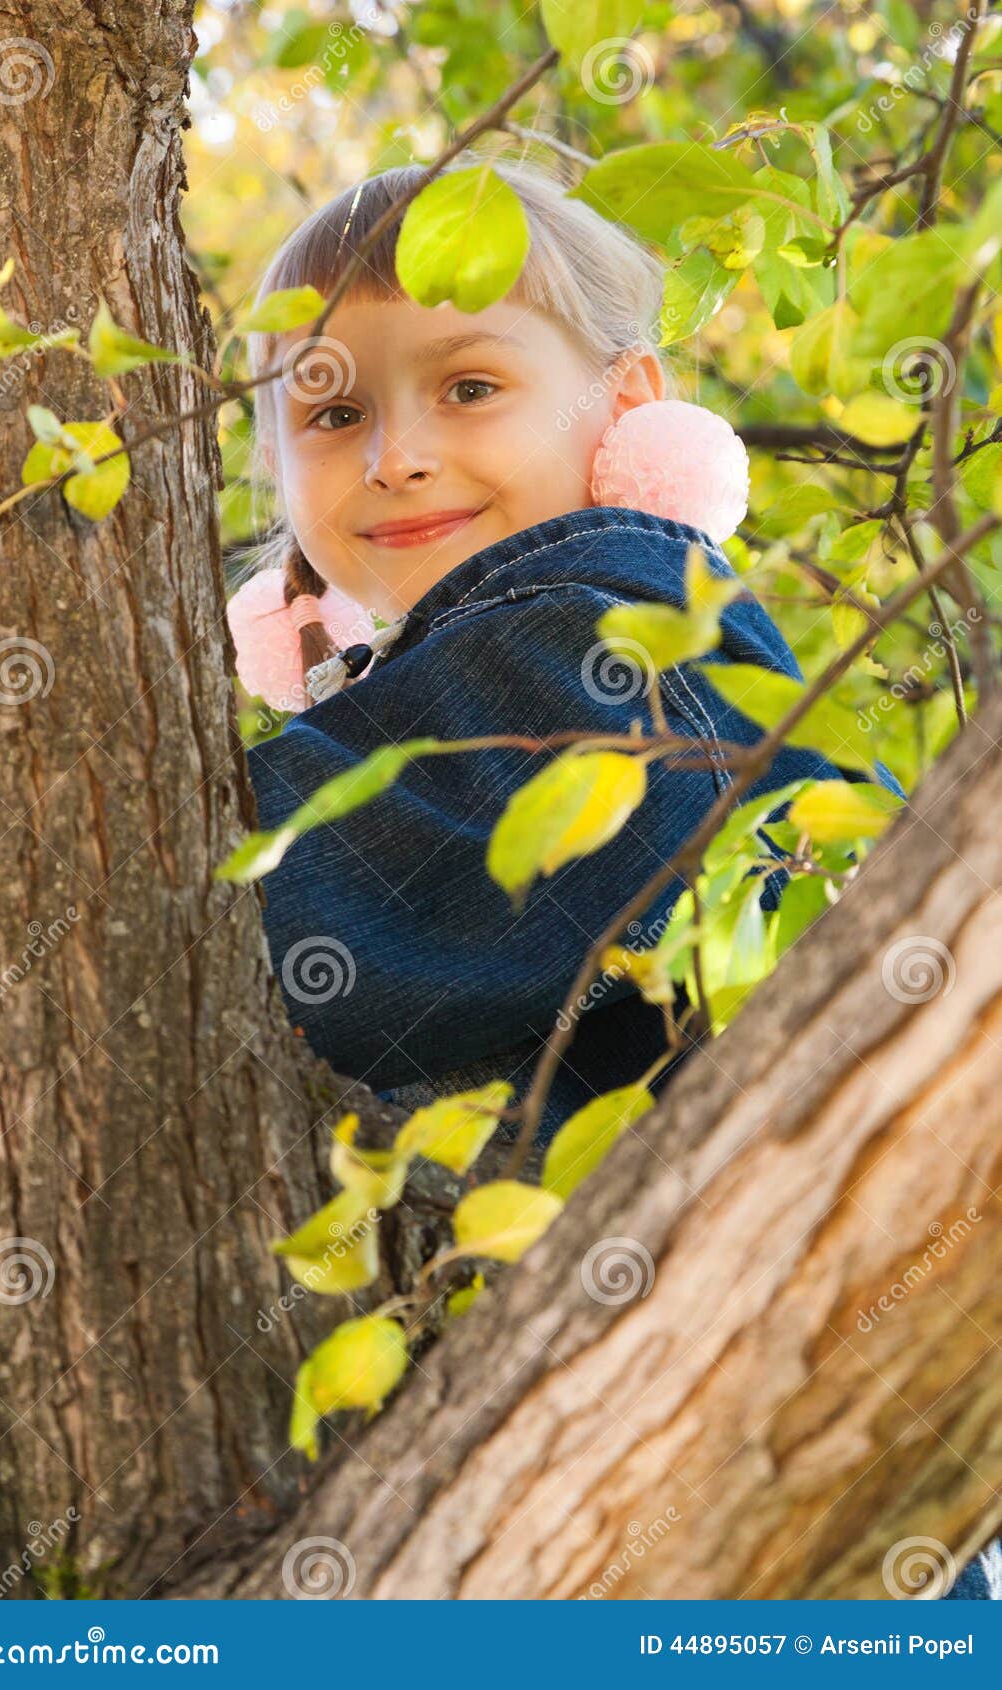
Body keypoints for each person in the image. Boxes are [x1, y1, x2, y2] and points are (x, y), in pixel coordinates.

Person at [236, 148, 895, 1150]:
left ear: (624, 406)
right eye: (332, 413)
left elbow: (324, 898)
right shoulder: (449, 673)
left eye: (467, 388)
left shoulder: (610, 624)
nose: (394, 457)